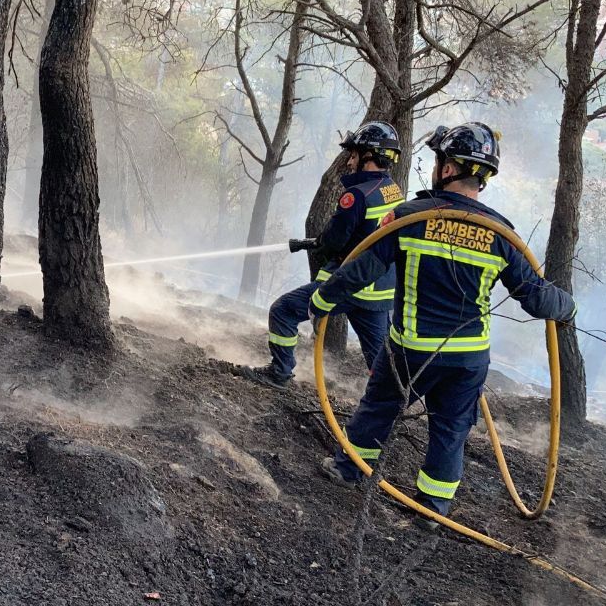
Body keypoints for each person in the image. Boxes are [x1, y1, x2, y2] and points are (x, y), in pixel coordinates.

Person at [309, 122, 576, 525]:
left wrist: (322, 299)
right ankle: (432, 510)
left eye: (439, 160)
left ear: (448, 168)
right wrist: (568, 307)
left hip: (411, 349)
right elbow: (537, 297)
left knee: (379, 407)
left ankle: (350, 470)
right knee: (450, 432)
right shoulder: (501, 234)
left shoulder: (409, 218)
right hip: (468, 360)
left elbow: (361, 268)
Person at [241, 121, 405, 390]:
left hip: (349, 286)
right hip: (379, 295)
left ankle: (279, 373)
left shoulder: (356, 195)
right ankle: (393, 402)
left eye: (353, 155)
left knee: (283, 311)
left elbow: (334, 240)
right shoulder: (393, 191)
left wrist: (322, 241)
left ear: (369, 156)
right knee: (381, 360)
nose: (350, 163)